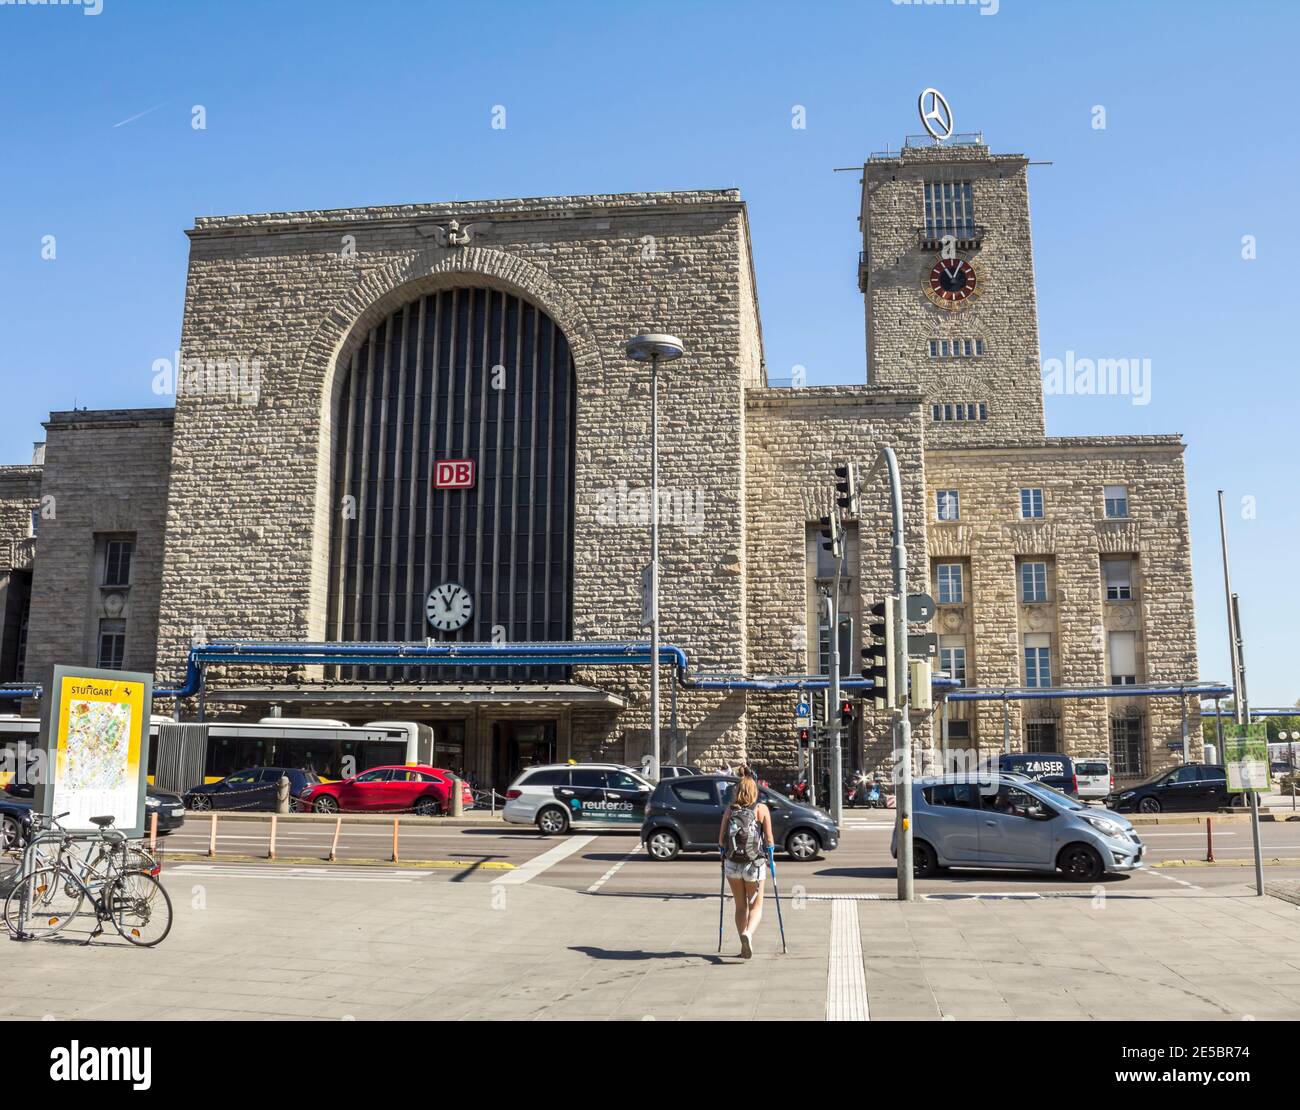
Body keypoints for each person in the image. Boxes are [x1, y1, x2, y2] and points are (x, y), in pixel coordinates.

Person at [718, 773, 773, 960]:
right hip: (753, 864)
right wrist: (771, 857)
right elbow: (770, 840)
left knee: (740, 906)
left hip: (732, 863)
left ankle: (743, 947)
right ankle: (748, 934)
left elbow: (720, 841)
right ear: (754, 791)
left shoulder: (729, 811)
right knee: (756, 906)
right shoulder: (761, 809)